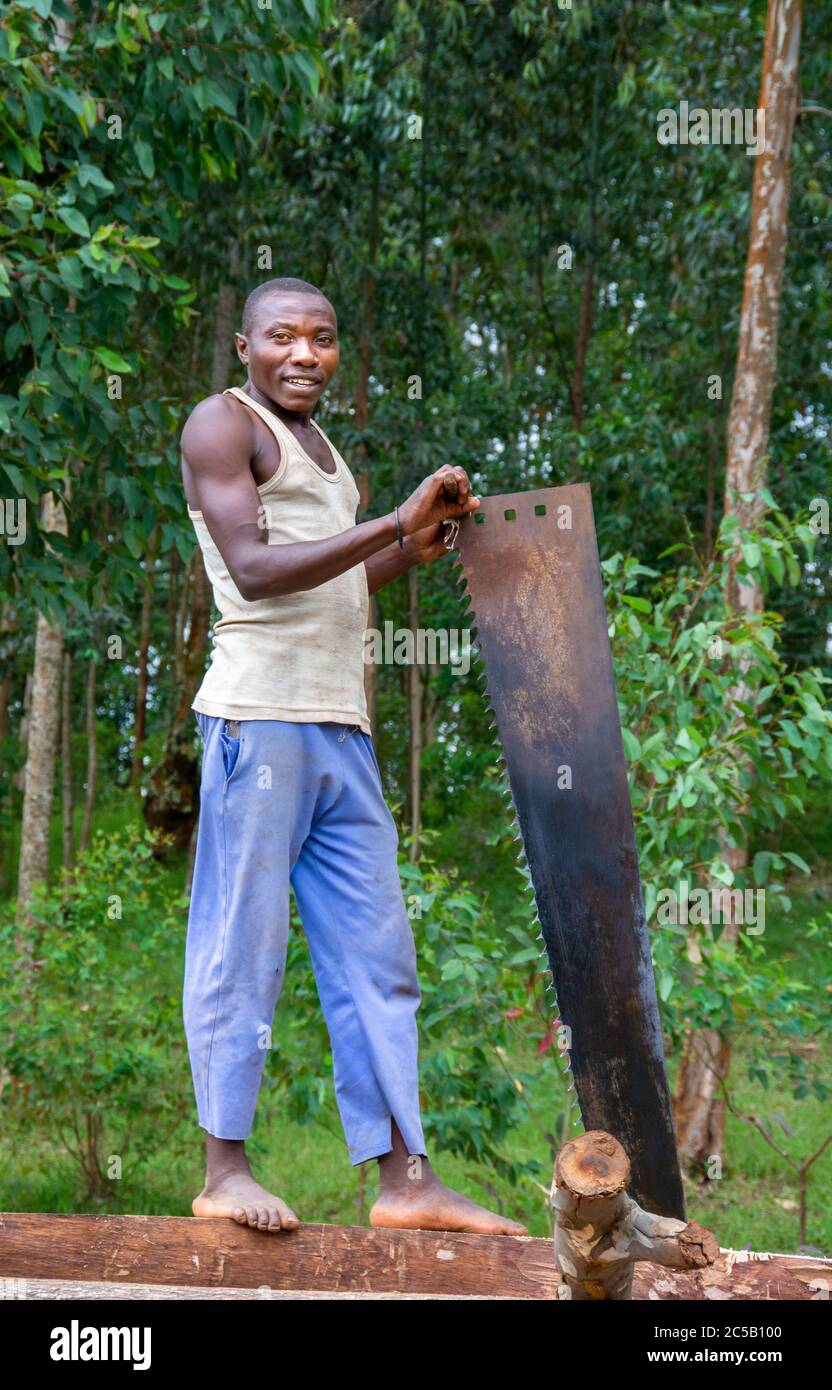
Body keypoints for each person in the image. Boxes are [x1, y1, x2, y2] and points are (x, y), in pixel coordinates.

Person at [179, 275, 527, 1237]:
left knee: (377, 959)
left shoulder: (328, 459)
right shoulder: (221, 424)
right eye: (282, 337)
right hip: (258, 723)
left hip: (342, 728)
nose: (304, 354)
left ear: (338, 353)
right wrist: (387, 523)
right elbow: (252, 572)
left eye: (323, 339)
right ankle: (224, 1171)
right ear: (244, 346)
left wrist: (406, 549)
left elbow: (333, 585)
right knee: (242, 946)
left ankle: (406, 1182)